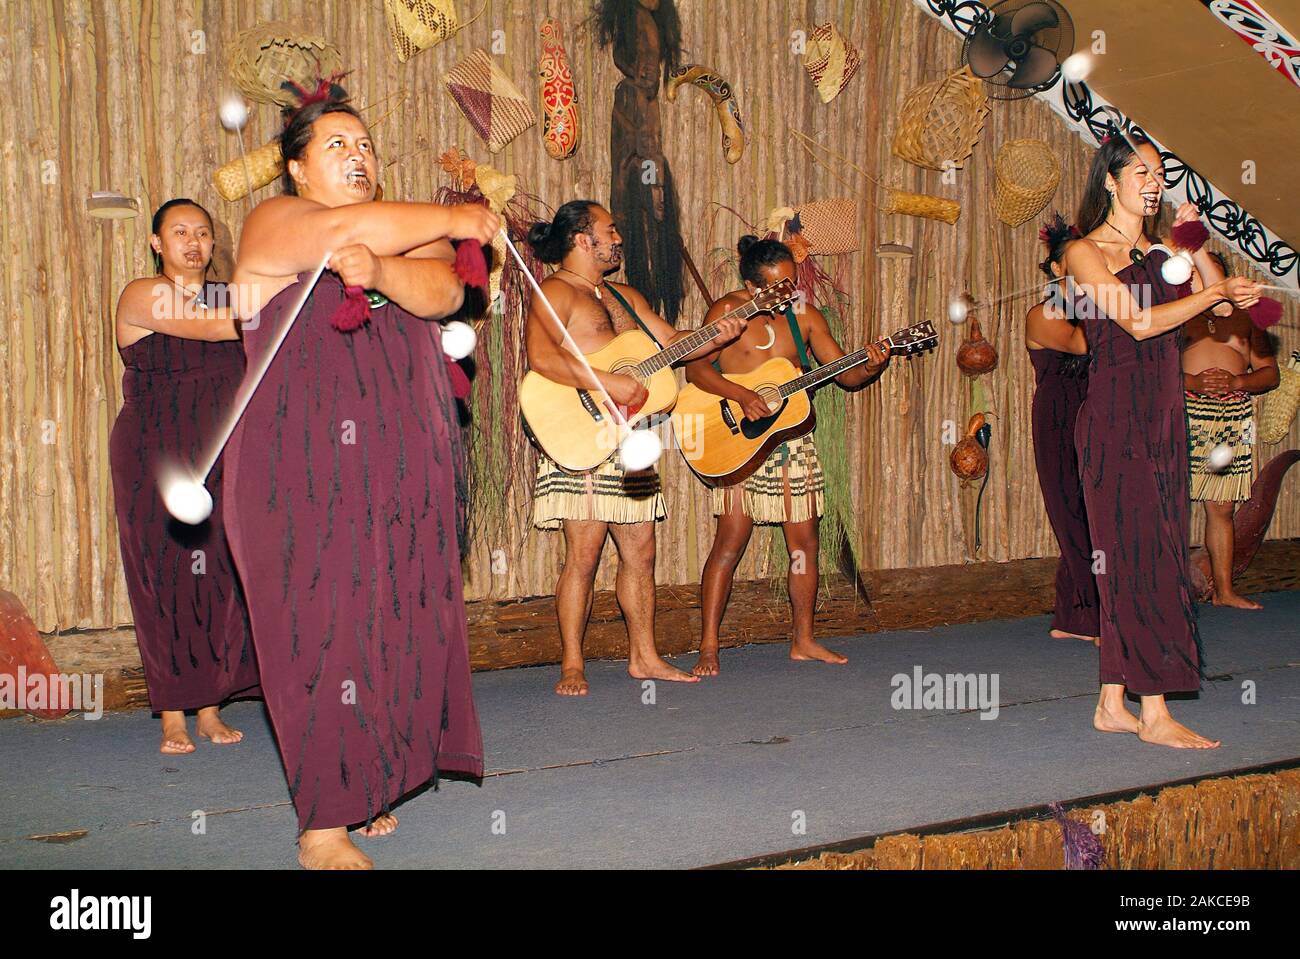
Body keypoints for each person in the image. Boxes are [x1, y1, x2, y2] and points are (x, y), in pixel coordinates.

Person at [224, 83, 499, 869]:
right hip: (295, 463)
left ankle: (371, 775)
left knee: (392, 610)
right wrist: (454, 215)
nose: (359, 155)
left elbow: (448, 289)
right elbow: (343, 229)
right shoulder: (273, 222)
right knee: (319, 621)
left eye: (367, 144)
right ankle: (322, 825)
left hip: (396, 456)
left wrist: (379, 264)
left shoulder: (396, 238)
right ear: (297, 170)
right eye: (337, 145)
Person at [1063, 134, 1261, 748]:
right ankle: (1154, 713)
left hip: (1162, 416)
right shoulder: (1083, 251)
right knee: (1142, 556)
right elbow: (1138, 320)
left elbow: (1225, 318)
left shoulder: (1161, 248)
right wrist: (1212, 293)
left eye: (1160, 172)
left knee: (1147, 550)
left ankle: (1110, 703)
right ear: (1111, 181)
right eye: (1142, 171)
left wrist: (1202, 252)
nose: (1155, 181)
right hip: (1115, 419)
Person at [525, 200, 745, 696]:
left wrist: (719, 336)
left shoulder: (624, 296)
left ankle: (643, 656)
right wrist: (608, 382)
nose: (618, 238)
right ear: (583, 239)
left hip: (633, 442)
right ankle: (572, 664)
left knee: (641, 552)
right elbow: (539, 357)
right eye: (611, 230)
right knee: (583, 554)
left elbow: (673, 342)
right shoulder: (555, 292)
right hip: (579, 428)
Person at [684, 236, 889, 675]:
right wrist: (740, 394)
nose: (787, 295)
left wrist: (871, 363)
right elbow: (696, 368)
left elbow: (847, 375)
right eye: (776, 288)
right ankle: (708, 645)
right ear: (750, 286)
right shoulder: (726, 313)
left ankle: (804, 639)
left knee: (804, 546)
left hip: (791, 441)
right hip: (739, 441)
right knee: (729, 543)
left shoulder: (806, 317)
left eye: (792, 284)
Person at [110, 198, 260, 755]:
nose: (194, 242)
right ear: (156, 243)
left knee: (219, 574)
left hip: (223, 452)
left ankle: (209, 706)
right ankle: (172, 713)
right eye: (179, 232)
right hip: (155, 454)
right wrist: (278, 299)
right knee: (164, 575)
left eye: (202, 233)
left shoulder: (230, 296)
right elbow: (221, 325)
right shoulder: (142, 294)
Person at [1181, 256, 1280, 609]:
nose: (1194, 279)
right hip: (1182, 413)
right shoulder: (1176, 315)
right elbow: (1147, 369)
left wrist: (1239, 380)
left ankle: (1223, 591)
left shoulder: (1246, 319)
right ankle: (1164, 592)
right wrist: (1190, 381)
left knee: (1222, 506)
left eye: (1199, 273)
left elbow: (1270, 373)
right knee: (1170, 504)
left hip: (1230, 416)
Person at [1024, 213, 1098, 644]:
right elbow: (1084, 344)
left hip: (1096, 413)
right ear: (1055, 269)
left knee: (1091, 512)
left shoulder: (1097, 306)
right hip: (1058, 418)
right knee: (1072, 511)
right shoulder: (1041, 314)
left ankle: (1071, 616)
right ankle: (1091, 617)